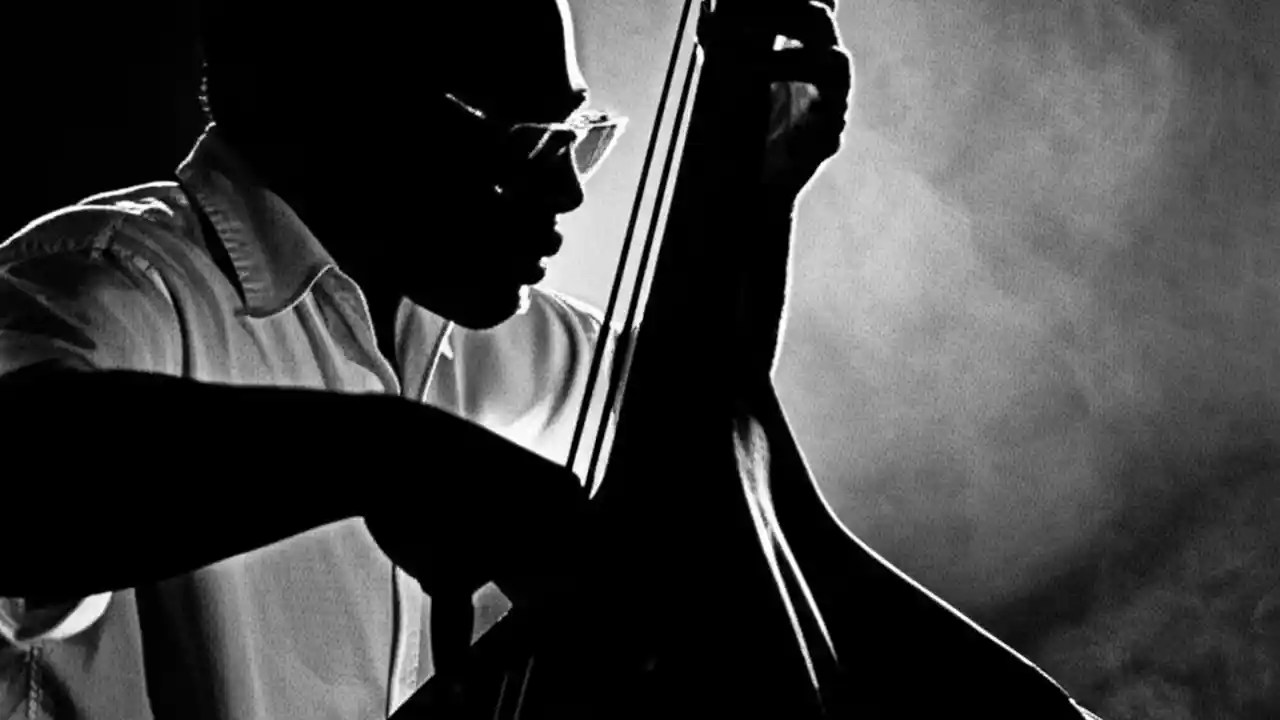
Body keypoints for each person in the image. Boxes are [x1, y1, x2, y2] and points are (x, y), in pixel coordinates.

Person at [0, 0, 854, 717]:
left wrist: (752, 204)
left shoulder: (497, 333)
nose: (568, 190)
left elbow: (699, 450)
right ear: (352, 107)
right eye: (531, 141)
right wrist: (395, 454)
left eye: (579, 136)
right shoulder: (112, 276)